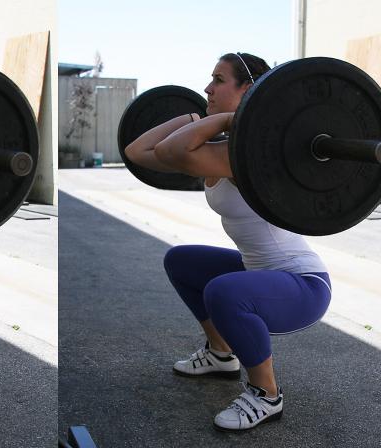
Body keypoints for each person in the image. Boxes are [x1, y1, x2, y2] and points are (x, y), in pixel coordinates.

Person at [124, 52, 332, 432]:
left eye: (219, 80)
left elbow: (172, 150)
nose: (207, 87)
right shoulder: (219, 147)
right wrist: (198, 118)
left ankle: (266, 395)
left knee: (223, 292)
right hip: (262, 273)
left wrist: (222, 119)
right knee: (182, 261)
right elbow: (137, 153)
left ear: (248, 89)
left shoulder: (244, 155)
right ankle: (221, 354)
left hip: (302, 285)